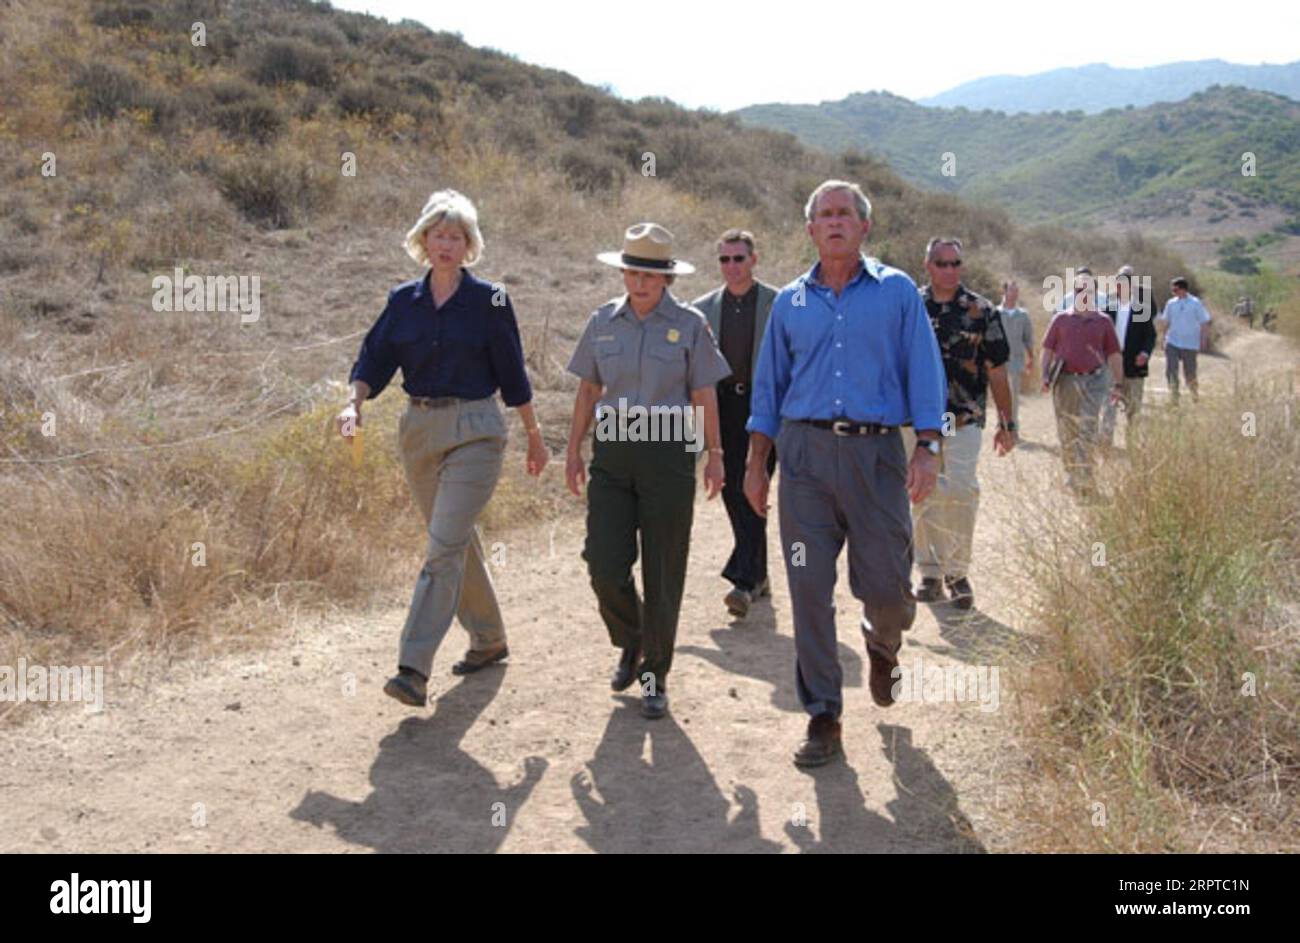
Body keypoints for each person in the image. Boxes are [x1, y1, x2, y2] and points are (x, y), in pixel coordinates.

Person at [744, 180, 946, 768]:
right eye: (824, 215)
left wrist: (928, 446)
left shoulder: (898, 292)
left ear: (864, 227)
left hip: (876, 455)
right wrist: (758, 464)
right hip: (803, 457)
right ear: (810, 230)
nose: (834, 222)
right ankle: (823, 715)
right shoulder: (790, 302)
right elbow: (768, 388)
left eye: (845, 214)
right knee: (808, 588)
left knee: (887, 586)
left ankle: (883, 641)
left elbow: (923, 371)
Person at [339, 189, 548, 708]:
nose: (447, 244)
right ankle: (489, 638)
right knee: (451, 542)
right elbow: (373, 360)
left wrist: (534, 435)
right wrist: (354, 404)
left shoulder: (491, 300)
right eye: (438, 235)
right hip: (419, 429)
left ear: (469, 244)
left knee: (441, 549)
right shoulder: (401, 301)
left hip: (477, 428)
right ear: (423, 241)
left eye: (456, 236)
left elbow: (513, 373)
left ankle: (413, 667)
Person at [564, 222, 730, 720]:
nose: (639, 283)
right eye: (632, 273)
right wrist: (573, 449)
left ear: (666, 279)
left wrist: (715, 453)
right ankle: (632, 639)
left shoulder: (690, 324)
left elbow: (704, 392)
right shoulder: (602, 322)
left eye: (650, 276)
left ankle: (655, 675)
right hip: (614, 451)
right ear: (622, 273)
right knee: (604, 563)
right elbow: (588, 390)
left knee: (663, 570)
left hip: (667, 452)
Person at [906, 238, 1016, 611]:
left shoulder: (981, 311)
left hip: (960, 416)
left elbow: (997, 370)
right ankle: (930, 572)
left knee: (961, 490)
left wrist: (1008, 421)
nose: (949, 270)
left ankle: (958, 572)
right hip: (918, 419)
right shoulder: (909, 306)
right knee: (922, 490)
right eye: (942, 263)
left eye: (955, 263)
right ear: (927, 265)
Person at [692, 229, 778, 620]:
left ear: (754, 259)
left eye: (738, 258)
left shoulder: (780, 303)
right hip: (721, 405)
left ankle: (744, 581)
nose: (731, 266)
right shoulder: (703, 308)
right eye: (724, 259)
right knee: (729, 488)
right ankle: (757, 573)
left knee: (752, 486)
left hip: (763, 408)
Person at [1040, 273, 1123, 495]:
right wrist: (1044, 376)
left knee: (1088, 427)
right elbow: (1047, 349)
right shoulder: (1060, 319)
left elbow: (1114, 354)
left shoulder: (1104, 321)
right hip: (1065, 380)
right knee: (1067, 429)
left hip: (1095, 380)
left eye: (1087, 291)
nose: (1083, 295)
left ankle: (1085, 476)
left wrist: (1118, 384)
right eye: (1079, 291)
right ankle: (1071, 472)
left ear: (1094, 294)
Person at [1099, 264, 1156, 447]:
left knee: (1133, 406)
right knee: (1109, 403)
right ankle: (1105, 440)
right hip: (1112, 361)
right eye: (1118, 284)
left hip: (1134, 363)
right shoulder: (1108, 308)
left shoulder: (1141, 309)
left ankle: (1131, 441)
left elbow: (1150, 335)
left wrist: (1145, 353)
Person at [1156, 276, 1211, 404]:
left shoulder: (1195, 303)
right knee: (1171, 370)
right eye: (1172, 290)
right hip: (1173, 341)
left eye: (1175, 289)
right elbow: (1166, 322)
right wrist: (1162, 338)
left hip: (1190, 343)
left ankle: (1194, 395)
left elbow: (1204, 322)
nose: (1173, 292)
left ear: (1183, 289)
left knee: (1190, 372)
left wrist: (1204, 339)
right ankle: (1174, 396)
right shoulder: (1171, 303)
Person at [996, 280, 1035, 428]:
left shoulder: (1023, 316)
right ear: (1004, 292)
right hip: (998, 361)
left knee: (1014, 396)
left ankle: (1013, 426)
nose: (1014, 294)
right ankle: (1001, 424)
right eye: (1011, 291)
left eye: (1016, 291)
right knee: (1000, 394)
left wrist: (1031, 358)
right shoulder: (995, 313)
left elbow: (1028, 339)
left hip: (1016, 361)